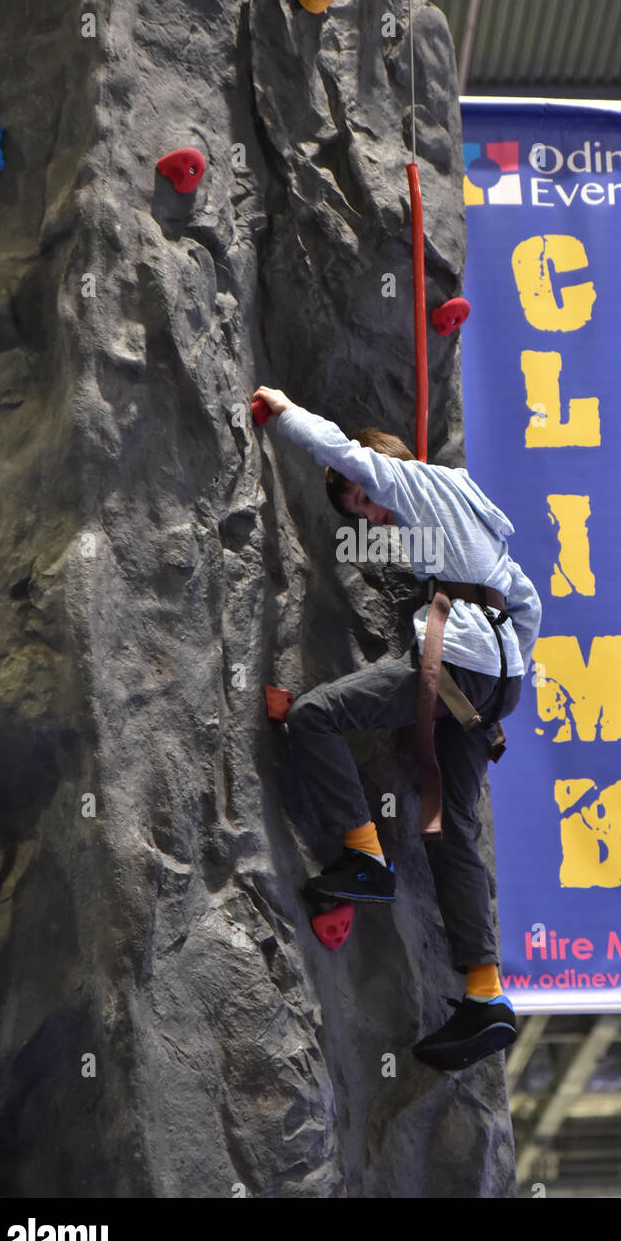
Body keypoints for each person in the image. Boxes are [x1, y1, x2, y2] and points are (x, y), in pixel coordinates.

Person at [254, 385, 541, 1071]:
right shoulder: (472, 507)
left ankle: (365, 858)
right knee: (450, 831)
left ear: (380, 471)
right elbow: (525, 598)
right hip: (498, 683)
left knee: (316, 716)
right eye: (364, 514)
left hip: (462, 666)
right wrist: (508, 670)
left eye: (366, 503)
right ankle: (485, 993)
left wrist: (283, 411)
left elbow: (343, 452)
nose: (376, 518)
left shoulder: (410, 479)